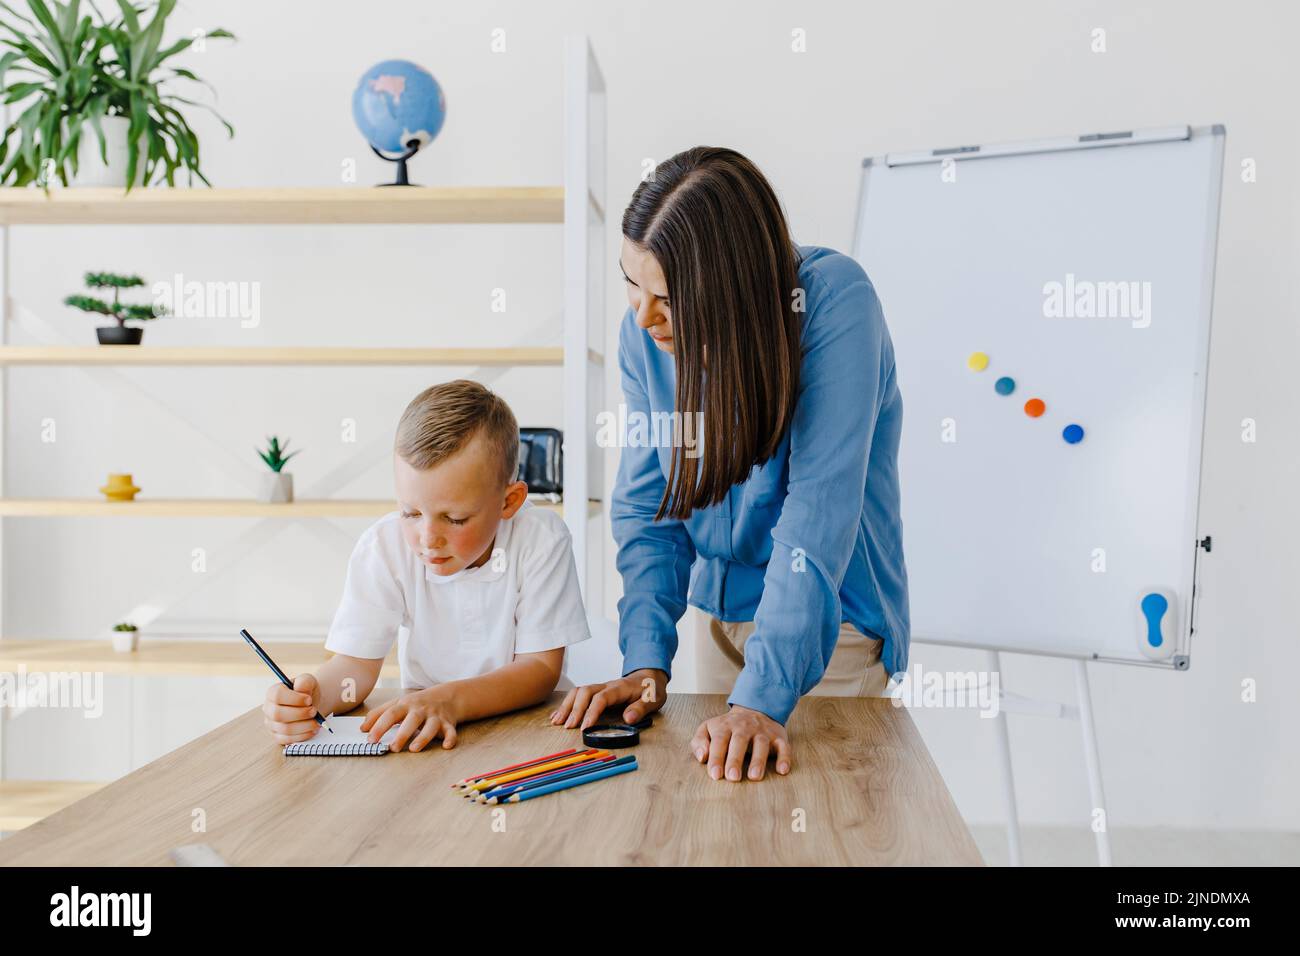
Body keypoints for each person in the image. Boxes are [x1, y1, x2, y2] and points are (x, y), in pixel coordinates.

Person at [263, 379, 590, 752]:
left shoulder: (541, 539)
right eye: (411, 513)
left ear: (509, 502)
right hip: (426, 731)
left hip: (528, 733)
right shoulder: (383, 546)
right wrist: (314, 698)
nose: (427, 538)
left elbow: (539, 670)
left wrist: (447, 700)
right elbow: (354, 666)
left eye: (454, 518)